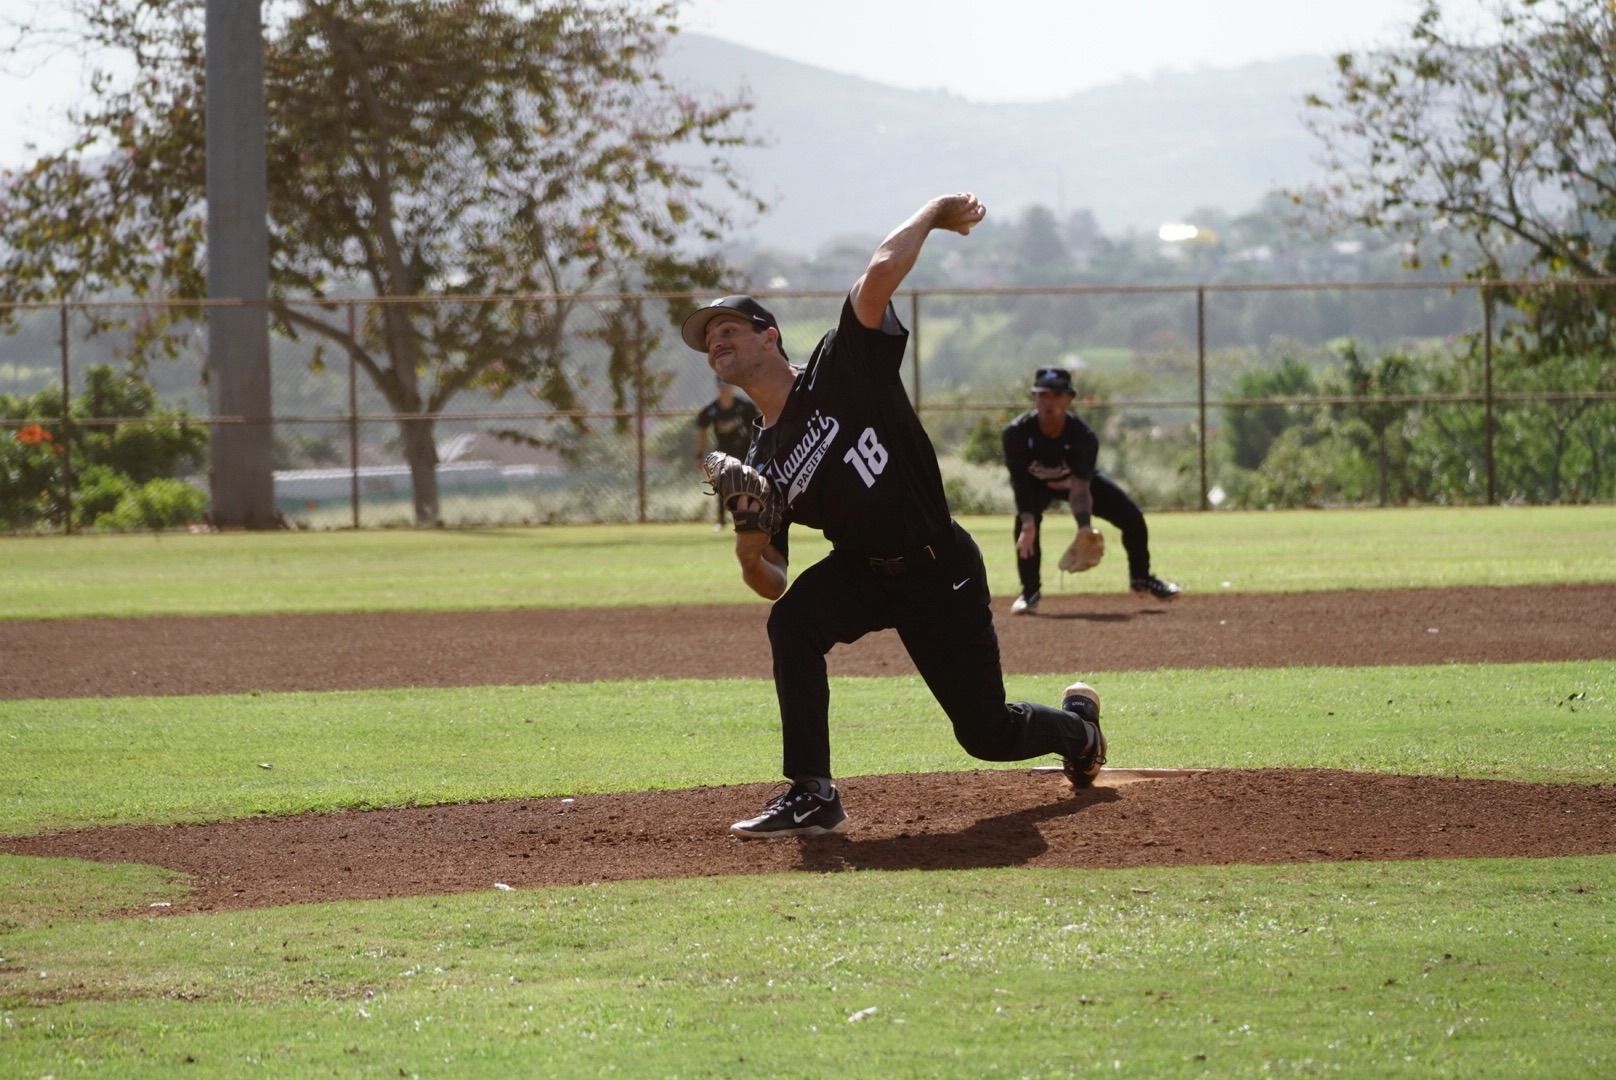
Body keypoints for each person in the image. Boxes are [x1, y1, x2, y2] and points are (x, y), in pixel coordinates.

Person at [680, 192, 1107, 840]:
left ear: (769, 335)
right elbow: (772, 577)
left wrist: (934, 214)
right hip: (863, 570)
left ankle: (1079, 730)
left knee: (986, 735)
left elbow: (878, 273)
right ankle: (813, 791)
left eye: (729, 329)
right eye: (709, 341)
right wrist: (748, 545)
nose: (717, 343)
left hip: (937, 565)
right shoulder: (763, 459)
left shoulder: (840, 366)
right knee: (792, 620)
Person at [1001, 367, 1181, 614]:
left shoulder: (1082, 436)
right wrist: (1028, 521)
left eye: (1056, 395)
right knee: (1024, 529)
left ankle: (1141, 577)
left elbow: (1080, 487)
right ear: (1034, 398)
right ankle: (1029, 591)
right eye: (1042, 395)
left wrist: (1084, 526)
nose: (1048, 402)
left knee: (1133, 518)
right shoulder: (1016, 433)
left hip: (1076, 483)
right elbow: (1020, 480)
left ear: (1069, 399)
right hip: (1036, 485)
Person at [694, 377, 761, 528]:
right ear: (717, 386)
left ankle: (752, 518)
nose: (723, 387)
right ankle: (721, 520)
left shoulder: (744, 406)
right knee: (722, 484)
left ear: (733, 386)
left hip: (744, 450)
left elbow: (759, 428)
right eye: (720, 384)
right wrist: (699, 456)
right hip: (723, 452)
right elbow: (702, 431)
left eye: (726, 384)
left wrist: (760, 450)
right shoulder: (711, 409)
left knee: (748, 484)